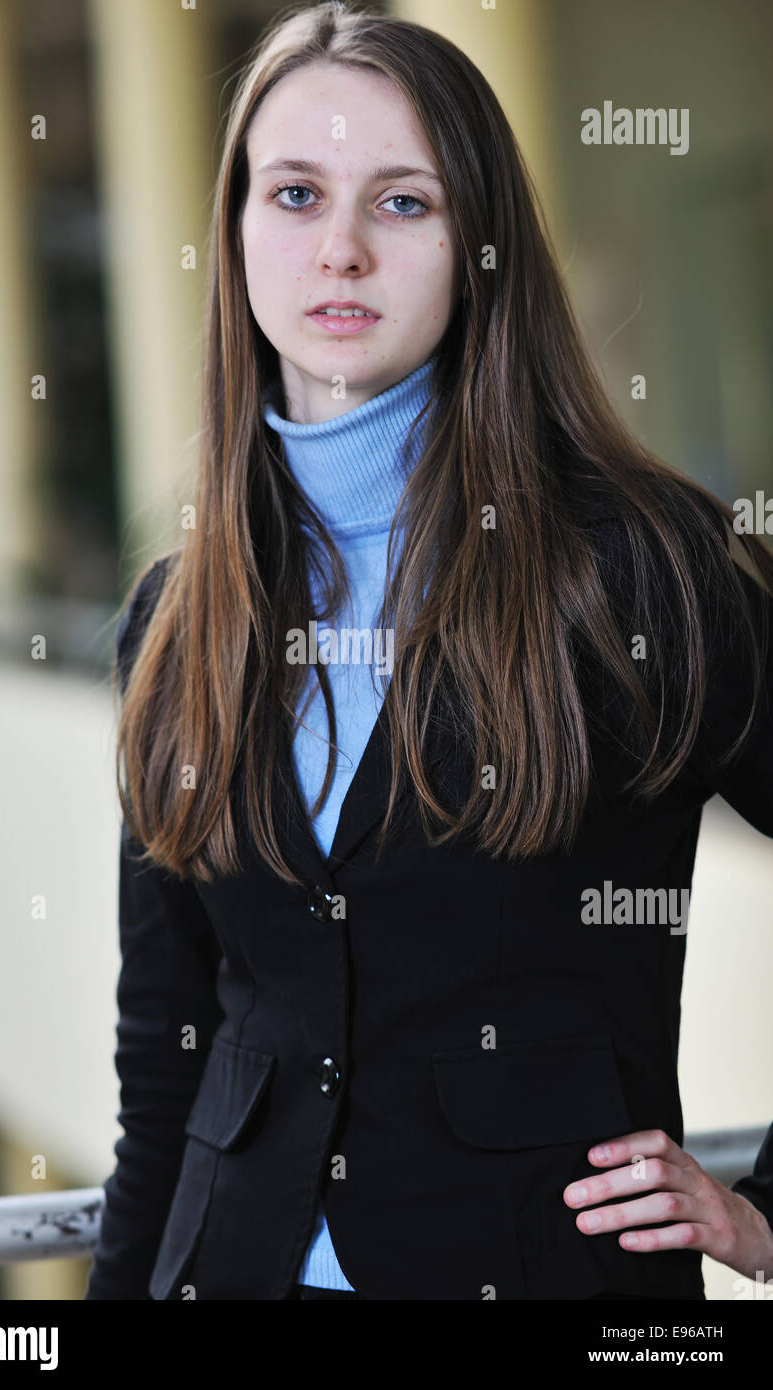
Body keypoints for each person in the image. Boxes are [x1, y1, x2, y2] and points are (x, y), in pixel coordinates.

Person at [85, 2, 773, 1301]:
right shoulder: (175, 617)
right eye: (294, 194)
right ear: (234, 233)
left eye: (402, 203)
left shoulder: (634, 566)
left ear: (479, 244)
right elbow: (165, 1066)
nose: (338, 248)